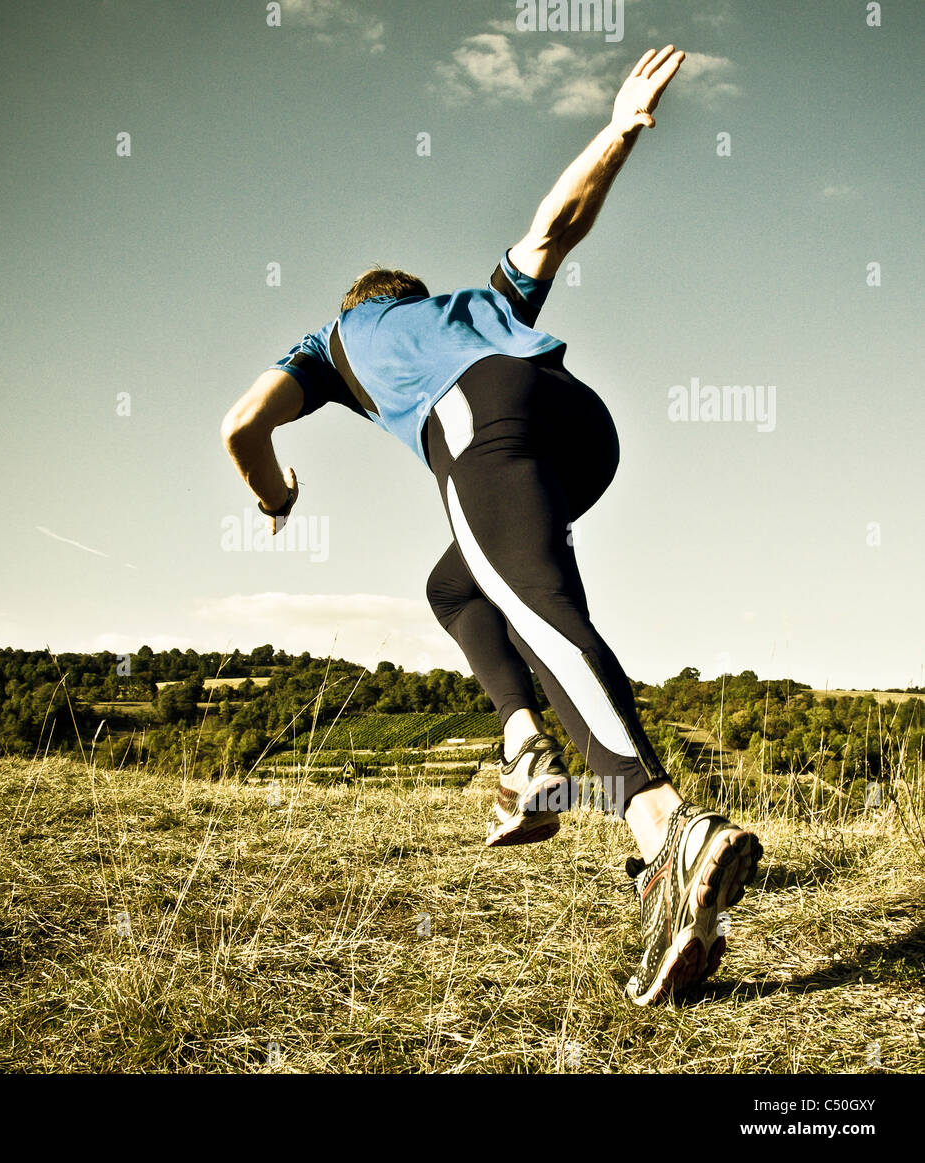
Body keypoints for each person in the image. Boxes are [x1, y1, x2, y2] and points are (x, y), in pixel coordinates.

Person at [220, 46, 761, 1005]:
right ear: (411, 292)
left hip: (485, 424)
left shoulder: (338, 340)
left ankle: (666, 824)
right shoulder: (475, 301)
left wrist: (276, 498)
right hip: (579, 427)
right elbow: (555, 226)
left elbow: (242, 426)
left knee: (545, 616)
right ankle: (538, 761)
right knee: (460, 585)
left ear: (357, 308)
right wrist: (620, 127)